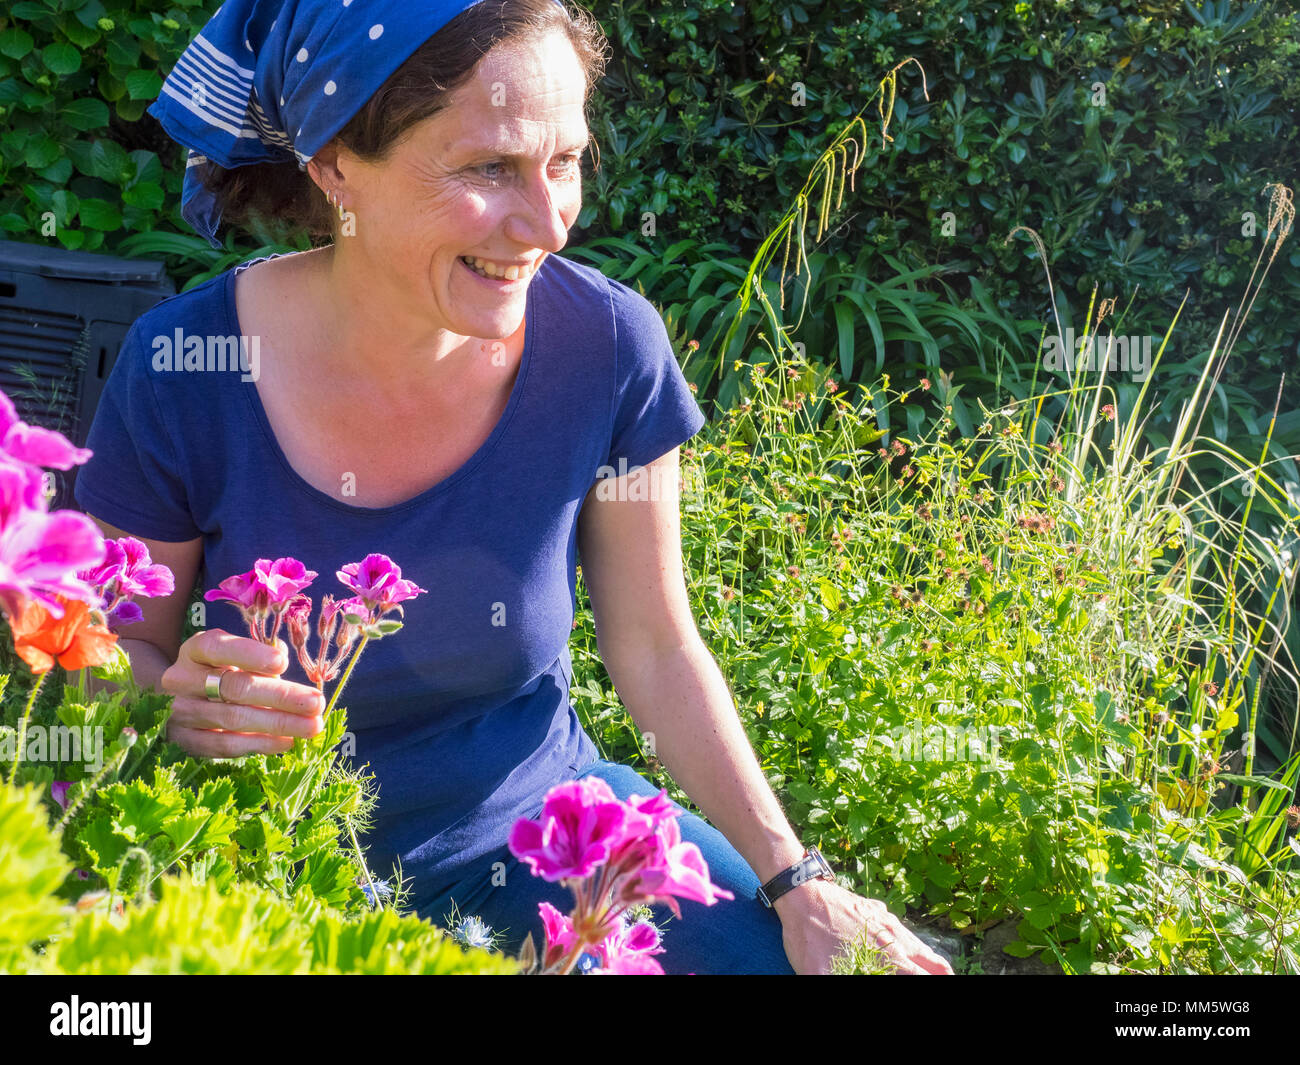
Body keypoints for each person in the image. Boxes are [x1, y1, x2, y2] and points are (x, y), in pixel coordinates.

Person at [75, 0, 951, 976]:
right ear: (334, 163)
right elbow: (100, 652)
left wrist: (797, 879)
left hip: (545, 838)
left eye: (564, 161)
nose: (549, 226)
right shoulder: (185, 367)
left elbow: (658, 645)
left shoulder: (607, 347)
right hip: (271, 856)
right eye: (489, 168)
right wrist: (170, 701)